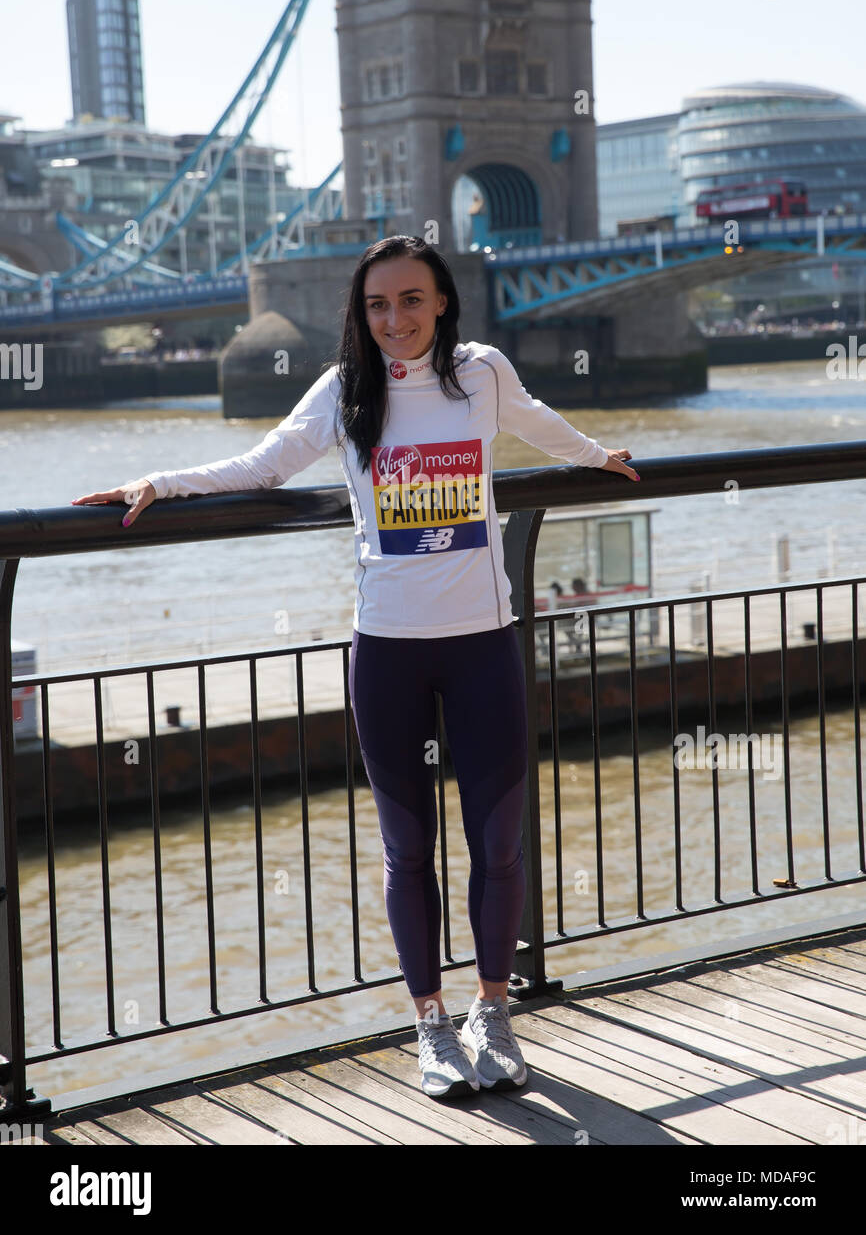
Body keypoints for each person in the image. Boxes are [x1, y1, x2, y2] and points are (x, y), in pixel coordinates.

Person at [72, 234, 639, 1102]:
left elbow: (537, 425)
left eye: (412, 300)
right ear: (360, 313)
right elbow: (262, 466)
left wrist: (600, 456)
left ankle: (494, 1011)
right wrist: (162, 479)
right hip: (388, 652)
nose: (395, 319)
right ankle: (430, 1024)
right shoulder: (347, 389)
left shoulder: (481, 373)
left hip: (484, 641)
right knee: (409, 847)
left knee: (498, 842)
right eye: (378, 305)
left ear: (442, 301)